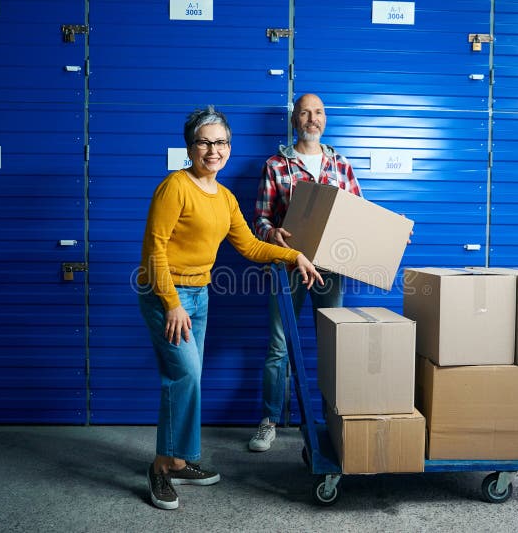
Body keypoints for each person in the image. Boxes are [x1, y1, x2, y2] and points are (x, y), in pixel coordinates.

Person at [137, 105, 323, 510]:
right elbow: (154, 248)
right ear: (190, 146)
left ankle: (181, 460)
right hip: (166, 294)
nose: (213, 150)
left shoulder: (224, 198)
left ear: (229, 147)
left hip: (200, 296)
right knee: (182, 376)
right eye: (205, 142)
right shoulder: (175, 187)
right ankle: (160, 467)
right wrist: (171, 304)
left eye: (220, 142)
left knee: (191, 378)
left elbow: (252, 246)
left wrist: (294, 257)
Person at [249, 94, 362, 452]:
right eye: (304, 113)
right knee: (278, 346)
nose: (312, 119)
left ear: (324, 119)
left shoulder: (341, 165)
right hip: (288, 267)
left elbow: (362, 216)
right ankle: (268, 421)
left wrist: (392, 234)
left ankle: (334, 417)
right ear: (295, 120)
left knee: (333, 343)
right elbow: (260, 220)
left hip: (330, 269)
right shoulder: (275, 166)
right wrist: (271, 233)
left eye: (318, 113)